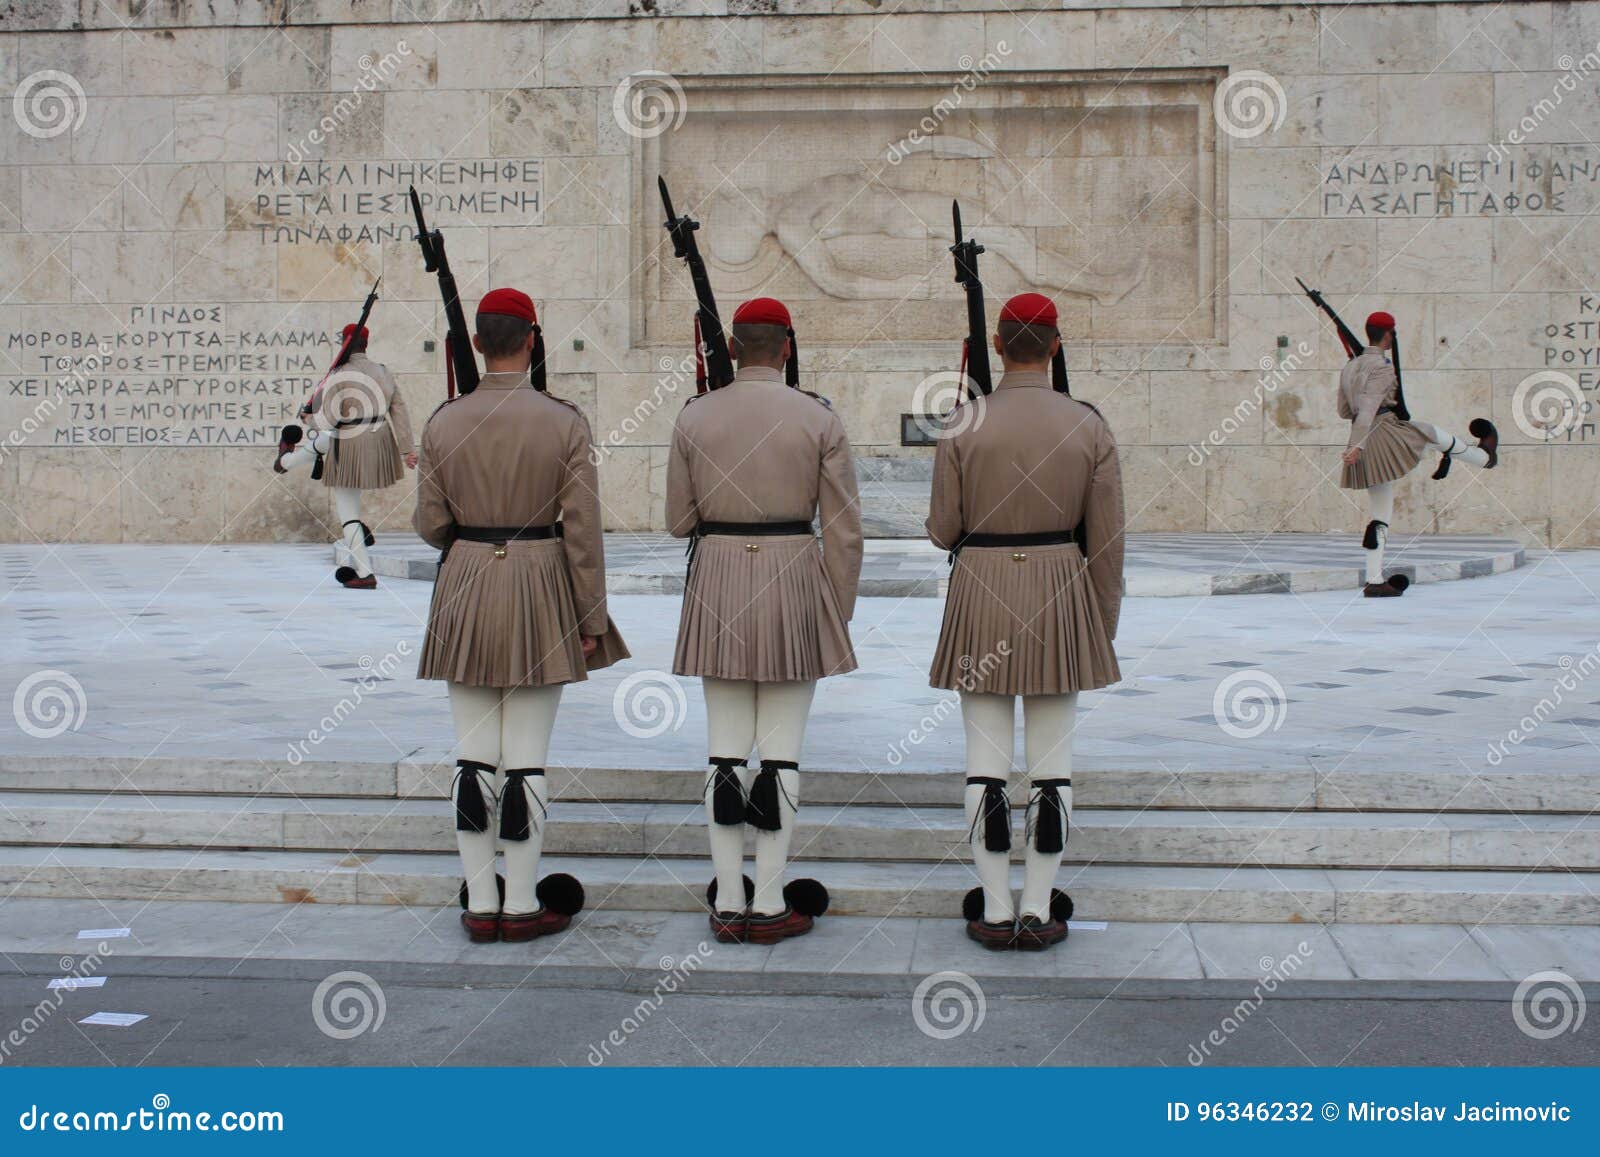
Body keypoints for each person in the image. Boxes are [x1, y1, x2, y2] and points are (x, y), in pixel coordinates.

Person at [413, 288, 629, 944]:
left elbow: (429, 524)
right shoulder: (564, 421)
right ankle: (524, 901)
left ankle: (482, 903)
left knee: (474, 757)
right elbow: (583, 530)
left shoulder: (444, 421)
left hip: (466, 581)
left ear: (478, 343)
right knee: (526, 760)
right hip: (539, 580)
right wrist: (592, 616)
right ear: (532, 340)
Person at [926, 292, 1124, 952]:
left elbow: (943, 529)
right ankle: (1038, 909)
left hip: (981, 590)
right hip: (1060, 592)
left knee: (983, 765)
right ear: (1056, 346)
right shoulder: (1087, 424)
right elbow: (1107, 540)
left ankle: (993, 906)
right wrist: (1100, 624)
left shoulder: (964, 421)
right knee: (1052, 767)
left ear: (998, 346)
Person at [666, 297, 863, 945]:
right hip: (792, 576)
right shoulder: (818, 417)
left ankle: (728, 899)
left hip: (719, 579)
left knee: (724, 752)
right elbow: (844, 531)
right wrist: (833, 611)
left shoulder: (695, 414)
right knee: (781, 755)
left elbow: (678, 521)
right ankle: (772, 900)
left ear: (732, 346)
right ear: (787, 347)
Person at [1339, 310, 1498, 597]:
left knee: (1380, 513)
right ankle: (1484, 457)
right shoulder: (1382, 367)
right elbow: (1368, 409)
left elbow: (1344, 410)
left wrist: (1356, 443)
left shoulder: (1350, 367)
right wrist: (1357, 445)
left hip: (1363, 438)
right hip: (1383, 434)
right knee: (1431, 434)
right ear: (1388, 335)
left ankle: (1374, 581)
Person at [273, 324, 415, 589]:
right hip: (380, 440)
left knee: (348, 512)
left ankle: (364, 572)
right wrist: (407, 449)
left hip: (351, 443)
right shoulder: (383, 371)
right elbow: (399, 410)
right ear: (366, 344)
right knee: (328, 441)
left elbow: (329, 420)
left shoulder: (340, 375)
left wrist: (308, 419)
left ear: (343, 344)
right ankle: (286, 462)